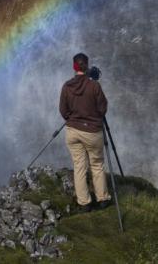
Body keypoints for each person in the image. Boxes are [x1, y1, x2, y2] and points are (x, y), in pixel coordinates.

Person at [59, 52, 111, 211]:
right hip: (92, 133)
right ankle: (102, 198)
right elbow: (103, 108)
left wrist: (73, 118)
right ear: (87, 66)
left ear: (74, 67)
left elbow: (63, 110)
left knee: (79, 166)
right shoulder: (94, 86)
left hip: (73, 131)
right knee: (96, 165)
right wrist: (92, 117)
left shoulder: (67, 86)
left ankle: (84, 202)